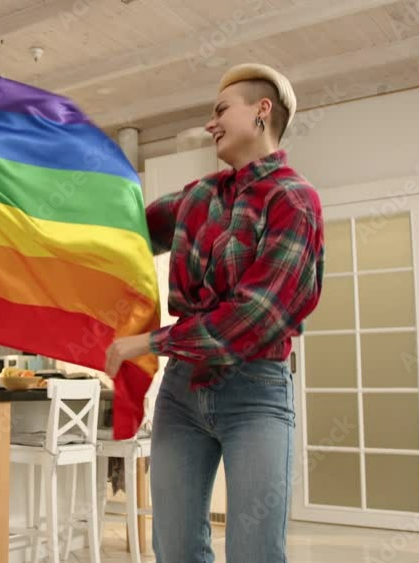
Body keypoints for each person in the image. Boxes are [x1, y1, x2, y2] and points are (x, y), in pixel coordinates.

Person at [103, 63, 324, 562]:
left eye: (221, 109)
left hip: (256, 394)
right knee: (175, 549)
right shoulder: (198, 197)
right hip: (183, 393)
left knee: (254, 552)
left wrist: (151, 342)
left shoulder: (295, 201)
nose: (211, 123)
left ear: (262, 111)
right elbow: (123, 233)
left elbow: (256, 316)